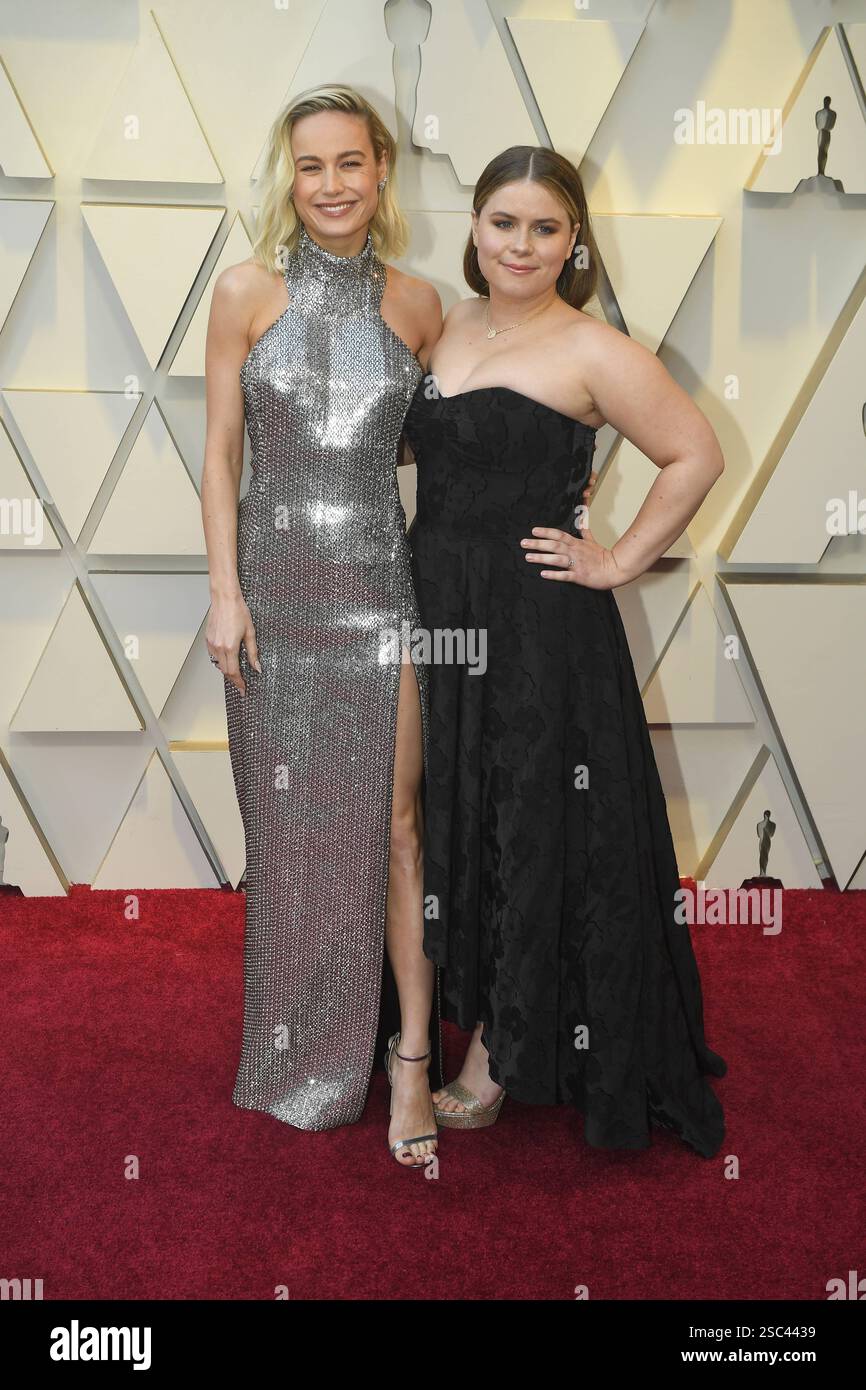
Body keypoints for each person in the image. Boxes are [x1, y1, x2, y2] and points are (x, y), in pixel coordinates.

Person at [403, 145, 728, 1157]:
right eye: (504, 222)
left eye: (545, 228)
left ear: (573, 242)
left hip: (537, 628)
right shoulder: (443, 323)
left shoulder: (590, 349)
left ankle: (496, 1053)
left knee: (521, 820)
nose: (522, 244)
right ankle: (449, 1005)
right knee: (439, 811)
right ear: (473, 226)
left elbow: (693, 452)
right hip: (431, 606)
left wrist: (616, 558)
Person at [201, 85, 444, 1167]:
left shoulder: (421, 305)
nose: (332, 185)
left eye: (350, 162)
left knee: (392, 830)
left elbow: (444, 443)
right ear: (286, 176)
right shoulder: (244, 293)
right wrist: (223, 590)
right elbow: (219, 454)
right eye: (311, 166)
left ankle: (407, 1062)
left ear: (381, 169)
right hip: (271, 600)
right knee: (287, 837)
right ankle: (290, 1041)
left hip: (378, 598)